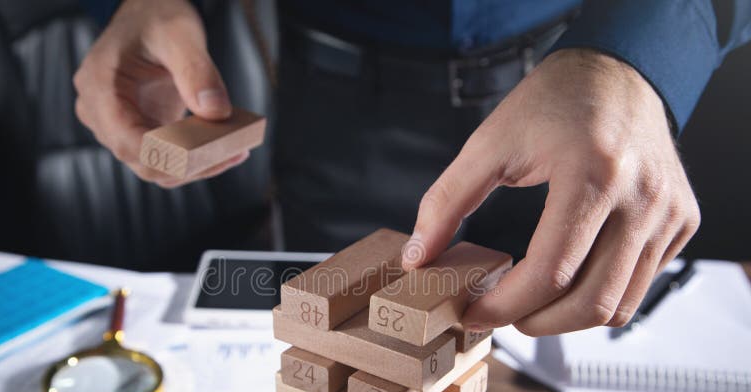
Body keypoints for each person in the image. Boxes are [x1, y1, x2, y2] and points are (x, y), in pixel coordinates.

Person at [74, 0, 751, 336]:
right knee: (332, 349)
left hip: (576, 102)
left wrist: (643, 57)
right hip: (337, 93)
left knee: (566, 326)